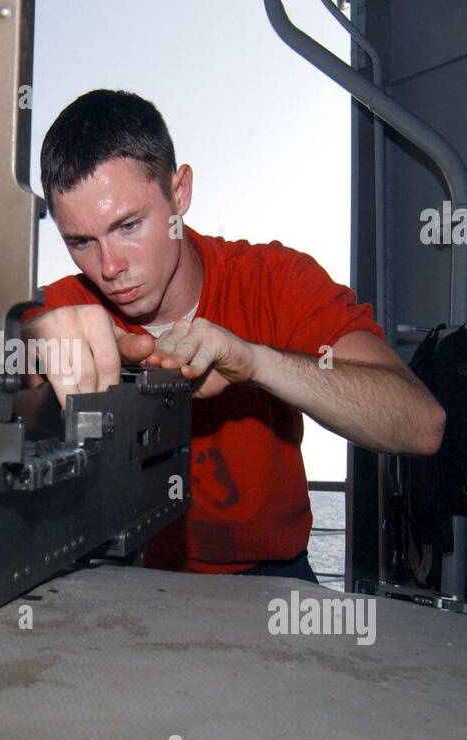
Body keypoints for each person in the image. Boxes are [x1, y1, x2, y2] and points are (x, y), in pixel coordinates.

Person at [22, 90, 445, 581]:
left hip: (269, 576)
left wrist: (256, 364)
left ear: (179, 193)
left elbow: (422, 424)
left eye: (129, 225)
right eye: (81, 242)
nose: (111, 267)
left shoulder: (274, 281)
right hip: (116, 568)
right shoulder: (63, 311)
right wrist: (29, 355)